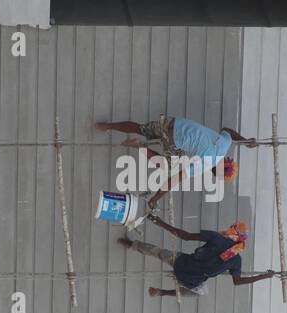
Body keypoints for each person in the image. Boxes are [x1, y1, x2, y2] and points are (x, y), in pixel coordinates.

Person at [95, 116, 259, 209]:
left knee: (141, 128)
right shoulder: (206, 165)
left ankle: (105, 125)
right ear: (215, 172)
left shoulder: (224, 144)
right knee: (168, 167)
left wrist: (245, 141)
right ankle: (138, 147)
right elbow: (175, 180)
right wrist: (156, 198)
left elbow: (227, 131)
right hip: (173, 139)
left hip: (174, 123)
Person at [117, 216, 276, 298]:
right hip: (191, 280)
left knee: (158, 252)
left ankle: (131, 244)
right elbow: (238, 282)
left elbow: (185, 236)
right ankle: (162, 293)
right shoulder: (236, 259)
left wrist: (160, 223)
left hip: (182, 263)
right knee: (201, 293)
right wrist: (264, 276)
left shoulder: (216, 238)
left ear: (232, 231)